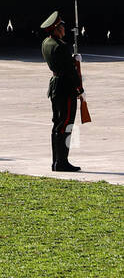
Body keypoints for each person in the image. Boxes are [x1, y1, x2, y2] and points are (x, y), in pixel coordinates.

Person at [41, 11, 83, 172]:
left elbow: (60, 63)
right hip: (66, 88)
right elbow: (70, 72)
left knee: (57, 125)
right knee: (66, 125)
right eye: (62, 26)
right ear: (56, 29)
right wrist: (80, 89)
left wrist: (72, 60)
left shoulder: (47, 43)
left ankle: (56, 161)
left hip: (55, 87)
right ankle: (62, 162)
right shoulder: (61, 46)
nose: (64, 29)